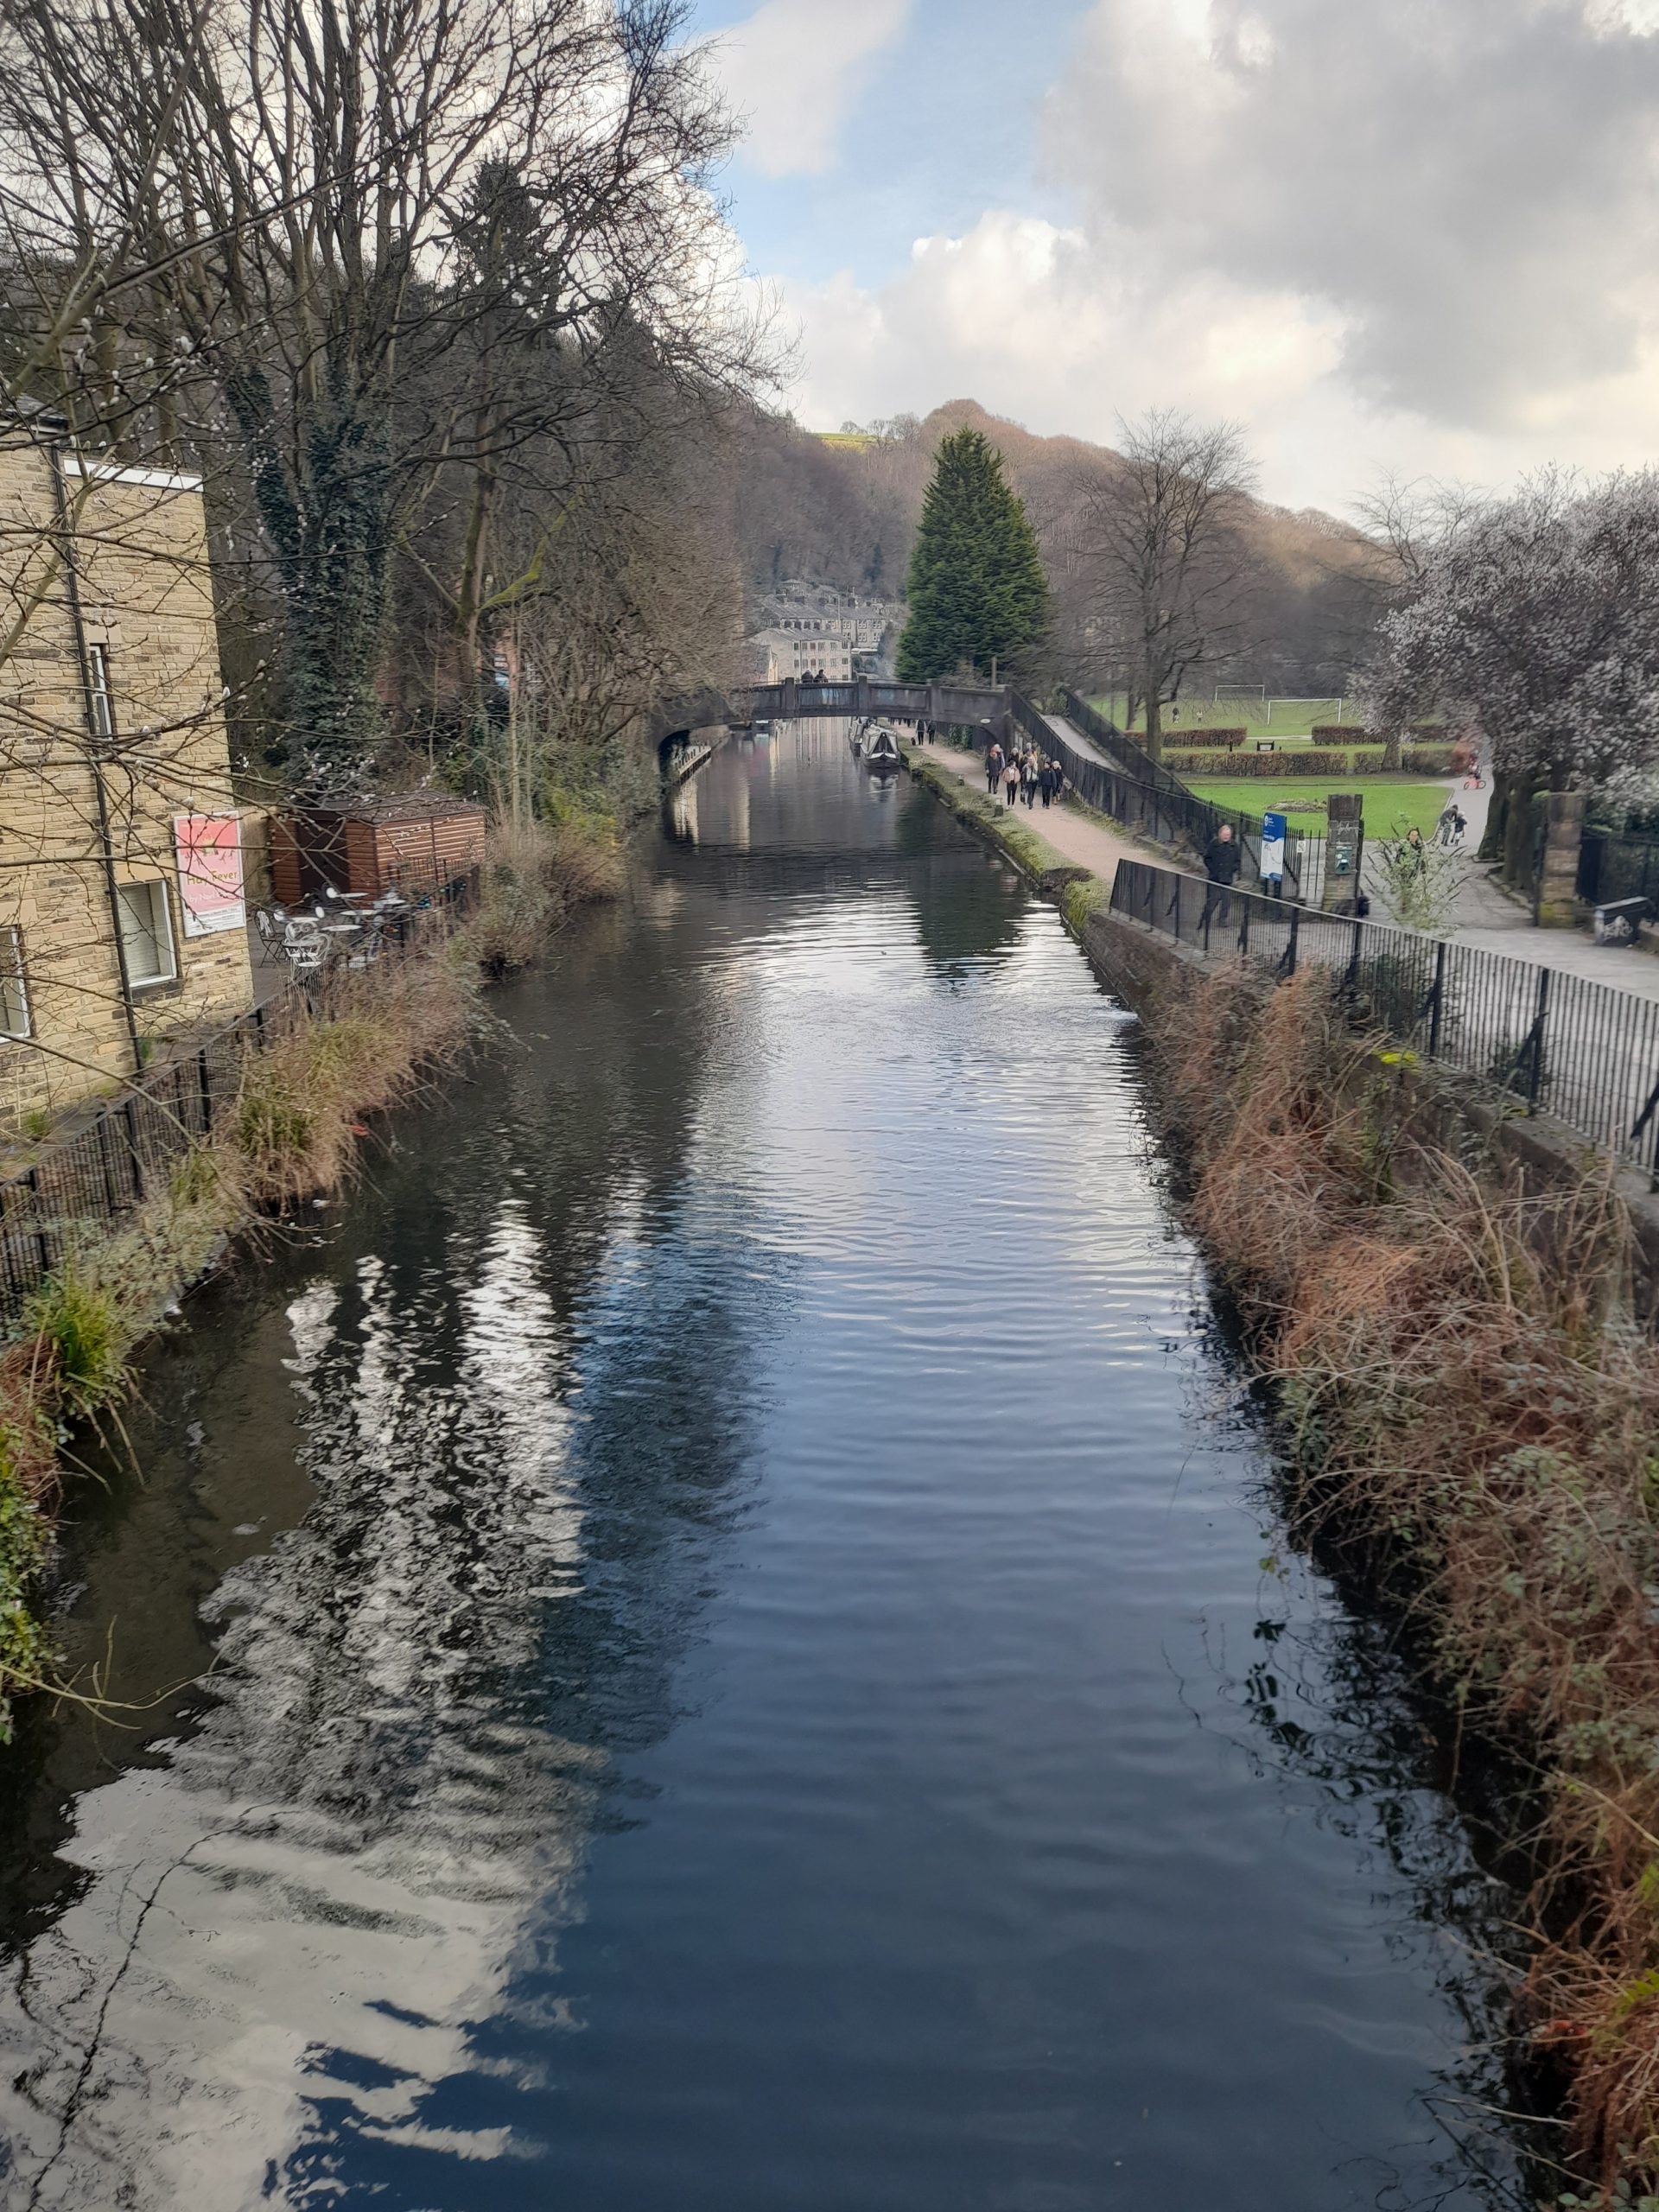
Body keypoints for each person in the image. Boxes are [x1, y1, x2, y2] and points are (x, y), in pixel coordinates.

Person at [1201, 823, 1240, 930]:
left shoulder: (1234, 846)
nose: (1227, 836)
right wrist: (1213, 869)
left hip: (1227, 878)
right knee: (1212, 900)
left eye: (1228, 835)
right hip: (1215, 877)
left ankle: (1222, 920)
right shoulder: (1213, 844)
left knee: (1226, 901)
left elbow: (1237, 861)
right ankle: (1205, 918)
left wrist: (1232, 869)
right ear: (1220, 834)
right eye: (1225, 835)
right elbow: (1207, 858)